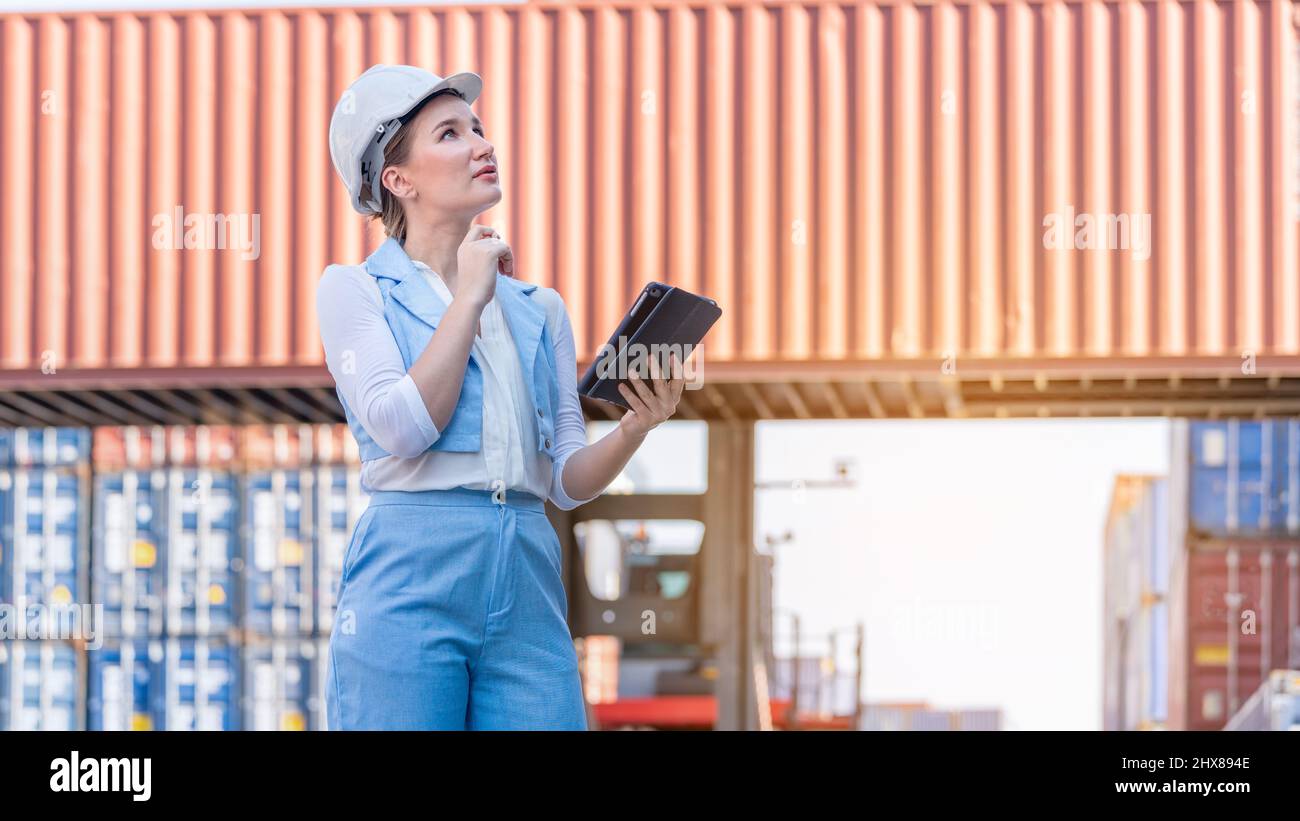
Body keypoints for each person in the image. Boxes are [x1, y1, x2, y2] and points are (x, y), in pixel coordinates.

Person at [318, 64, 687, 729]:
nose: (483, 145)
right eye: (451, 133)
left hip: (525, 561)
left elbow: (565, 481)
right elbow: (402, 427)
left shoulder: (538, 307)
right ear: (398, 180)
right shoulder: (355, 290)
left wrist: (635, 427)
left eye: (480, 129)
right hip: (410, 564)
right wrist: (468, 295)